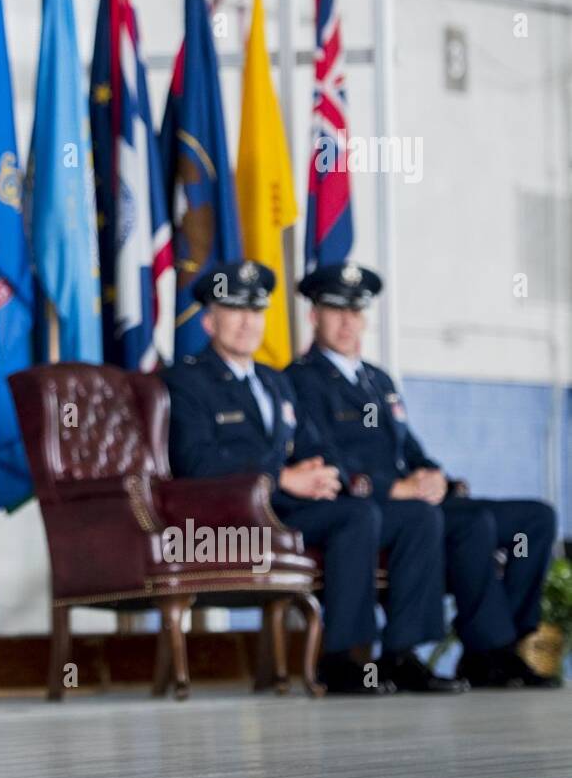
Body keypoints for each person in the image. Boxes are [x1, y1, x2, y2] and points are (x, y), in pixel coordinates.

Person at [163, 260, 464, 694]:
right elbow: (196, 461)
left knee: (417, 517)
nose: (247, 323)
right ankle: (343, 660)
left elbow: (315, 444)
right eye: (234, 312)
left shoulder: (273, 381)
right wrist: (282, 478)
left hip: (296, 507)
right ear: (210, 321)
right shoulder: (186, 380)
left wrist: (326, 475)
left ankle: (402, 655)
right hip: (241, 516)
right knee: (357, 518)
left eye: (255, 312)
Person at [288, 262, 558, 689]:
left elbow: (409, 448)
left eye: (355, 312)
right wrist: (394, 488)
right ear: (314, 315)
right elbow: (321, 458)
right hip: (366, 503)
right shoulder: (301, 381)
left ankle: (508, 643)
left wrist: (436, 478)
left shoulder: (378, 381)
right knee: (472, 524)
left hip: (412, 497)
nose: (347, 322)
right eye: (335, 310)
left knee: (535, 519)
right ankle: (445, 654)